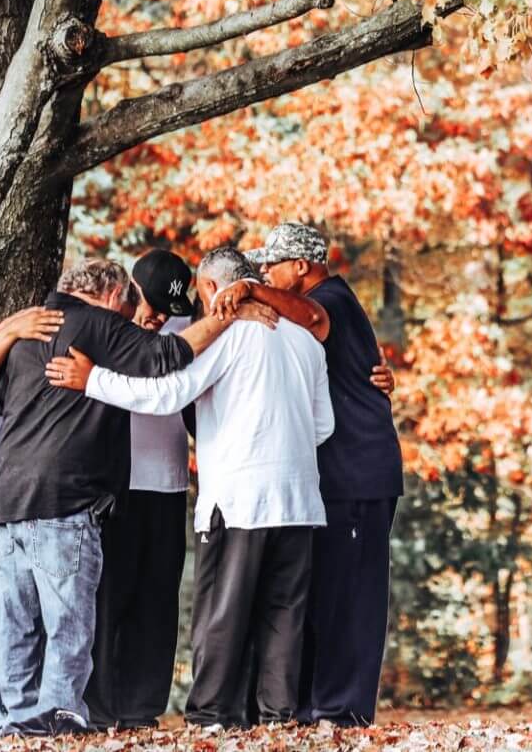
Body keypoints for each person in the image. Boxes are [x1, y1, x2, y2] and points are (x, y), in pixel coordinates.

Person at [45, 246, 333, 729]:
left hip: (238, 499)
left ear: (213, 288)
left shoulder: (228, 332)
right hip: (301, 501)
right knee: (284, 614)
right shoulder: (306, 342)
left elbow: (169, 394)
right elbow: (323, 426)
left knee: (222, 610)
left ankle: (212, 716)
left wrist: (92, 380)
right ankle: (278, 719)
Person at [0, 257, 257, 735]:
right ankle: (59, 718)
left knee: (14, 619)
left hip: (8, 495)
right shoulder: (99, 324)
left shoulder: (28, 331)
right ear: (114, 294)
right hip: (64, 495)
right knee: (69, 619)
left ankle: (8, 723)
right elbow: (166, 356)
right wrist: (229, 313)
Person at [85, 248, 277, 731]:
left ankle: (141, 708)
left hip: (168, 483)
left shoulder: (190, 327)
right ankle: (99, 708)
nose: (156, 318)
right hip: (115, 482)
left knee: (156, 599)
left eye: (167, 311)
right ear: (132, 290)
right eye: (150, 305)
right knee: (109, 597)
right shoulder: (109, 326)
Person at [246, 222, 405, 727]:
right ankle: (317, 706)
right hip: (337, 476)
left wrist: (249, 290)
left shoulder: (328, 300)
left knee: (351, 594)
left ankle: (342, 710)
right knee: (326, 589)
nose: (264, 274)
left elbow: (313, 318)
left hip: (358, 474)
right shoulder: (321, 307)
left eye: (271, 266)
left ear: (301, 266)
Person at [0, 305, 66, 736]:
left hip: (4, 496)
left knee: (8, 609)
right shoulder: (23, 351)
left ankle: (4, 715)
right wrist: (9, 331)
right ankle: (4, 717)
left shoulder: (25, 347)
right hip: (1, 499)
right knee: (12, 612)